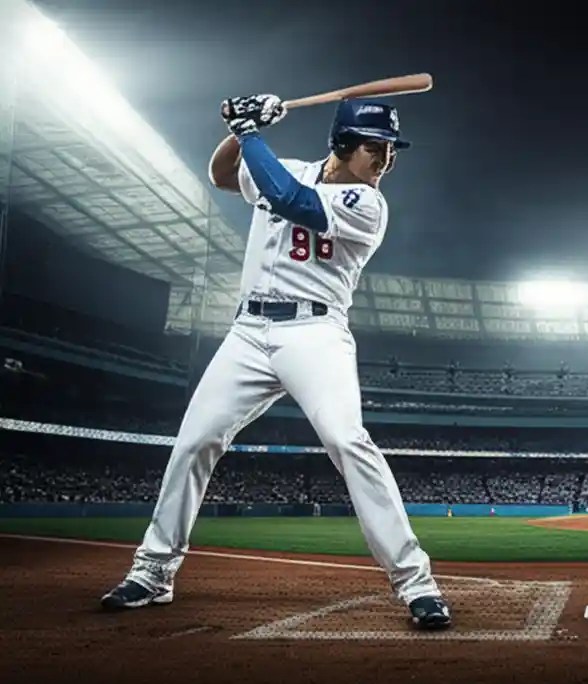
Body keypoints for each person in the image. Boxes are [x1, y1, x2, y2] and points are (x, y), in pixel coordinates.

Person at [98, 94, 451, 631]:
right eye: (376, 147)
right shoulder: (285, 165)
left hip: (315, 333)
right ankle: (154, 571)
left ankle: (416, 583)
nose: (387, 159)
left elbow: (291, 201)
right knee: (194, 441)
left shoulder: (368, 204)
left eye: (390, 149)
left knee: (347, 441)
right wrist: (241, 131)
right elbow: (221, 175)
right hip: (247, 332)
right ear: (344, 143)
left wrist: (250, 131)